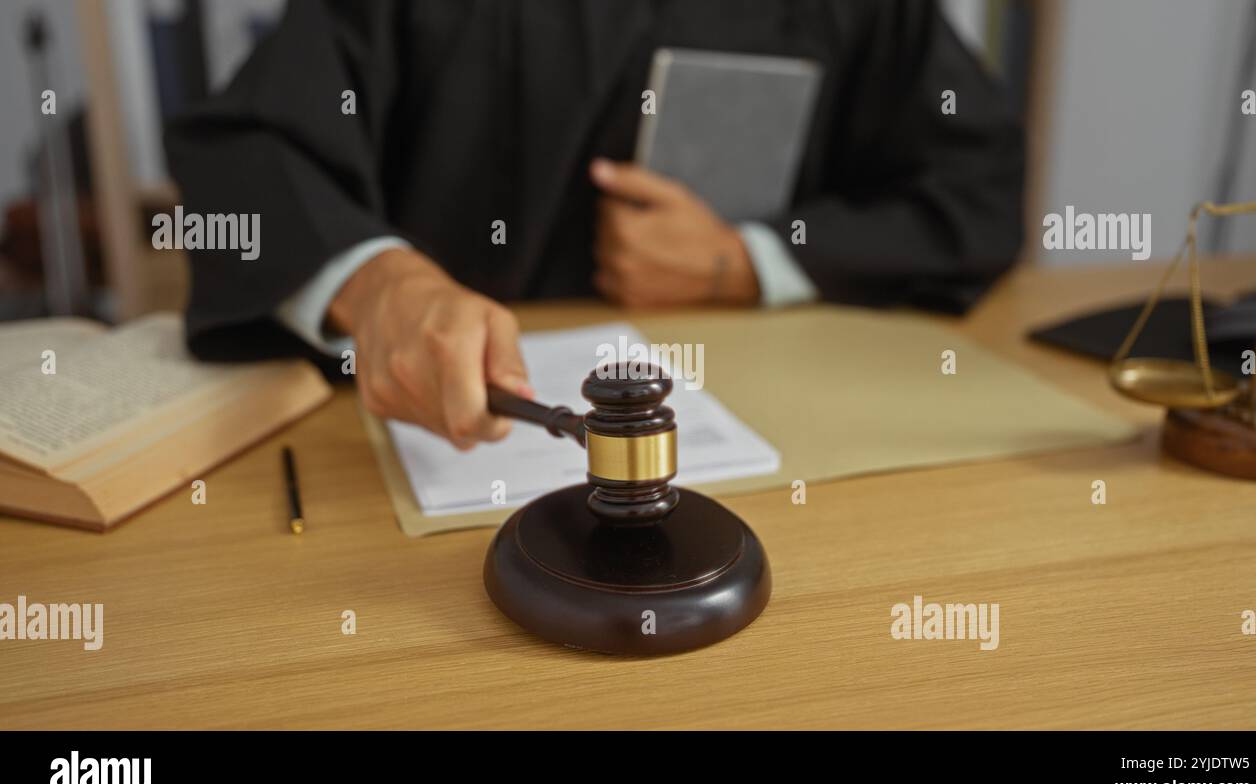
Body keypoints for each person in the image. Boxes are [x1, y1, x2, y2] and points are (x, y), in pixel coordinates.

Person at [166, 0, 1024, 450]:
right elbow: (247, 147)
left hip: (772, 431)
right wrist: (377, 283)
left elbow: (978, 184)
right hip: (429, 440)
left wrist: (746, 261)